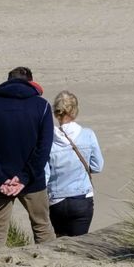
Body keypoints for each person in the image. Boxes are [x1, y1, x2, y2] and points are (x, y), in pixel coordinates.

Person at [0, 65, 56, 251]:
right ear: (30, 82)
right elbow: (44, 148)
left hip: (2, 181)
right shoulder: (41, 106)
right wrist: (24, 177)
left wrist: (0, 178)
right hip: (31, 180)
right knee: (43, 228)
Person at [44, 89, 103, 237]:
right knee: (79, 243)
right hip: (82, 198)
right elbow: (97, 166)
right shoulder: (87, 134)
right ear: (74, 111)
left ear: (57, 113)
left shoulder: (48, 139)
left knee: (61, 243)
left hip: (57, 200)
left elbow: (45, 174)